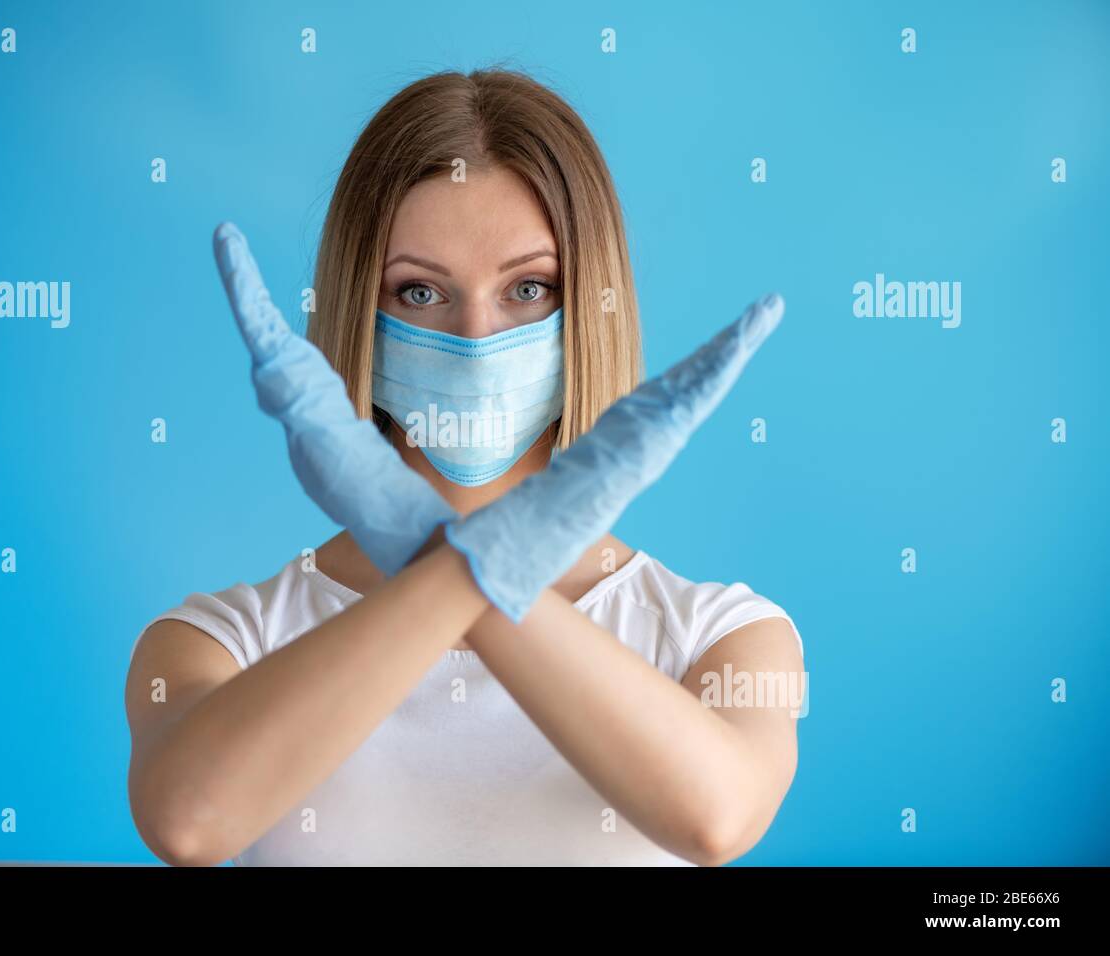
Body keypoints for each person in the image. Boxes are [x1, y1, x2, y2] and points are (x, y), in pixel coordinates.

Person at [125, 68, 804, 866]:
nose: (477, 336)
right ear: (359, 312)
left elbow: (715, 819)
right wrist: (477, 556)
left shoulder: (724, 638)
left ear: (589, 302)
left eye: (528, 287)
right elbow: (188, 821)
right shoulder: (221, 642)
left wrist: (423, 547)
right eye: (418, 293)